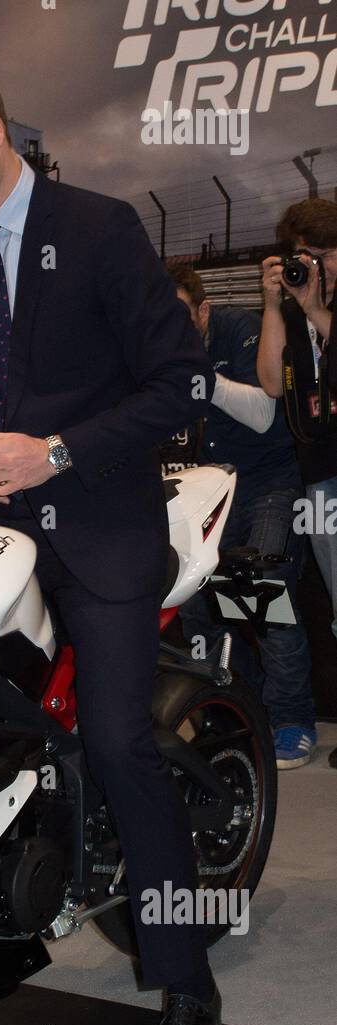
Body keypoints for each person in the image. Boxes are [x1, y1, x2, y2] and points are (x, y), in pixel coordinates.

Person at [0, 60, 220, 1025]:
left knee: (119, 739)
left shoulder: (101, 228)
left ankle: (185, 986)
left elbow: (179, 384)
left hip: (98, 522)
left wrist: (59, 453)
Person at [170, 266, 317, 769]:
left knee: (265, 592)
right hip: (204, 489)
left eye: (180, 317)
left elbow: (264, 412)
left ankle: (292, 720)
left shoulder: (243, 329)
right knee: (198, 604)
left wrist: (200, 377)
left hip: (266, 483)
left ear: (203, 311)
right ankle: (233, 716)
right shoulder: (157, 350)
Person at [257, 198, 337, 770]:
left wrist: (316, 310)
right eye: (308, 256)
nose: (319, 266)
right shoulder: (291, 301)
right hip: (321, 473)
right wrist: (273, 304)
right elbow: (268, 382)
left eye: (329, 253)